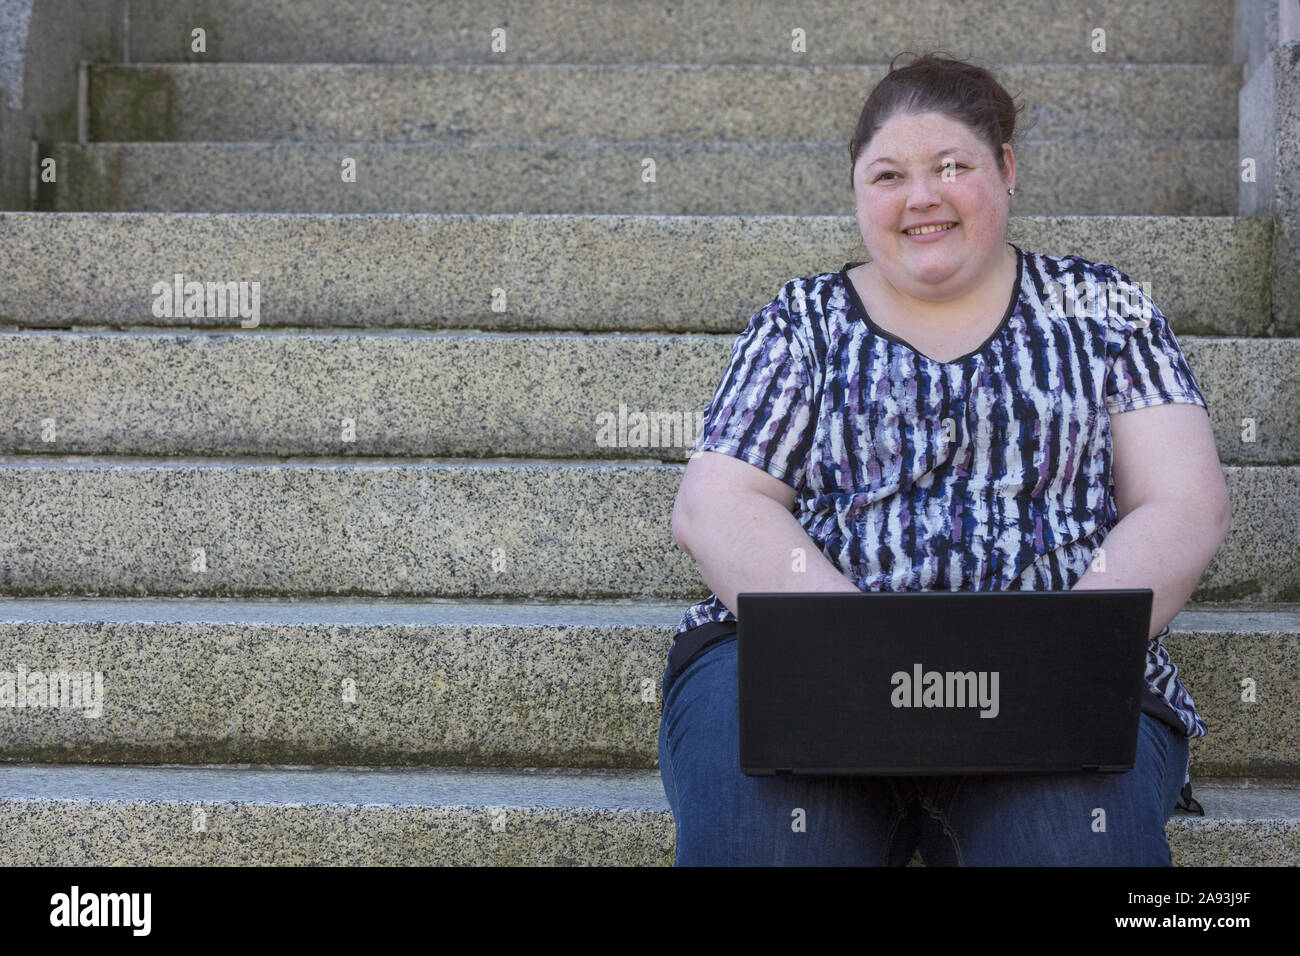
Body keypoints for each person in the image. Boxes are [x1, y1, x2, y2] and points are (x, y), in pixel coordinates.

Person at [659, 51, 1231, 866]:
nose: (920, 196)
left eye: (952, 166)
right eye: (888, 175)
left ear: (1005, 168)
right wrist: (869, 662)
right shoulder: (803, 321)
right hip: (805, 666)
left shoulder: (1105, 308)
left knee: (1072, 849)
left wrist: (1053, 652)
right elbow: (715, 504)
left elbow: (1184, 502)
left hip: (1054, 674)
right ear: (858, 192)